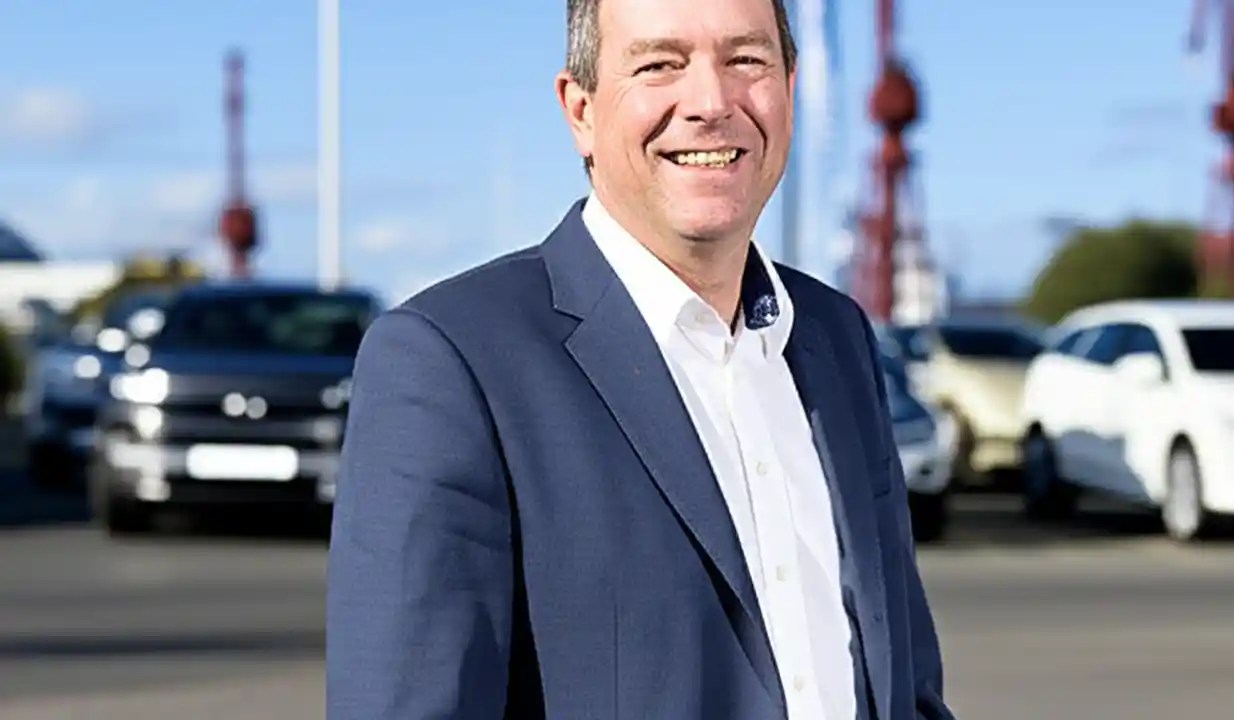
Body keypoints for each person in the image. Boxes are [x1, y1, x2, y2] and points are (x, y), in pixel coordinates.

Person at [325, 0, 956, 717]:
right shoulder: (450, 363)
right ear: (581, 110)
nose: (711, 102)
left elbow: (904, 685)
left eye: (745, 59)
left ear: (790, 83)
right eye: (660, 64)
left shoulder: (837, 338)